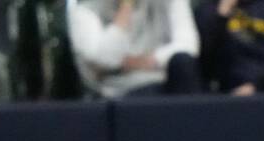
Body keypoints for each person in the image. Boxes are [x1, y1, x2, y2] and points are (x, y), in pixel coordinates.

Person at [69, 0, 201, 98]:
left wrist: (146, 60)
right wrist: (126, 7)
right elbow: (104, 59)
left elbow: (189, 46)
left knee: (183, 63)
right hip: (121, 90)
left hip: (165, 80)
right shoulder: (86, 9)